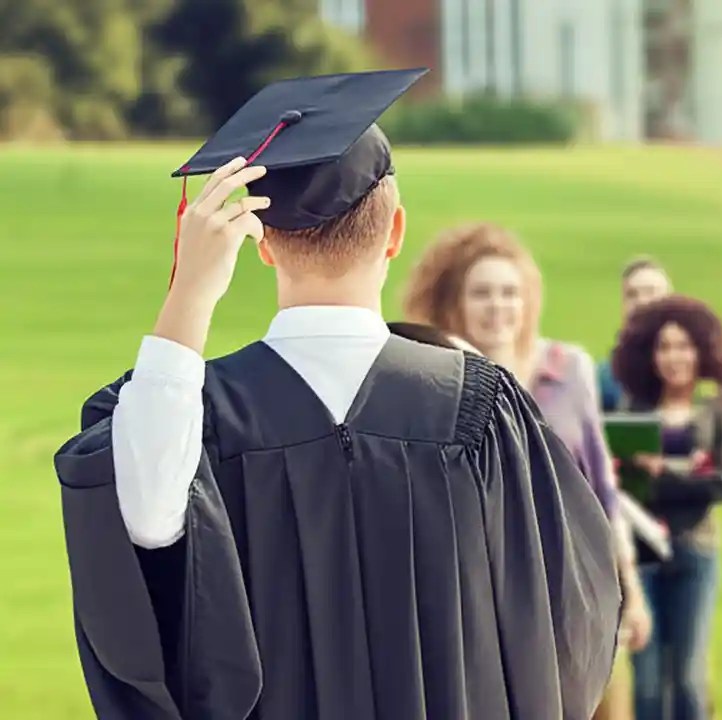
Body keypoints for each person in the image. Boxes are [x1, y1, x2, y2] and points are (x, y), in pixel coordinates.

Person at [51, 69, 621, 720]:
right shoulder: (483, 411)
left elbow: (141, 537)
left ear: (262, 247)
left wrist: (190, 296)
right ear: (396, 232)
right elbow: (569, 620)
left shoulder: (192, 417)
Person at [400, 222, 651, 720]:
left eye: (510, 293)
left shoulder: (569, 369)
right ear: (454, 304)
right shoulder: (433, 378)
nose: (498, 307)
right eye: (482, 294)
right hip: (483, 599)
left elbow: (600, 487)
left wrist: (632, 591)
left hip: (578, 584)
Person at [609, 294, 722, 720]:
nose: (674, 357)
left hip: (696, 551)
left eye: (683, 346)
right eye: (663, 347)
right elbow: (623, 489)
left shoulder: (716, 411)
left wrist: (665, 473)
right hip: (643, 554)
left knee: (687, 676)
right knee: (646, 681)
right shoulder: (633, 411)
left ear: (702, 351)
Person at [600, 257, 673, 412]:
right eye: (632, 294)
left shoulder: (694, 372)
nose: (641, 301)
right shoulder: (604, 378)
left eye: (651, 292)